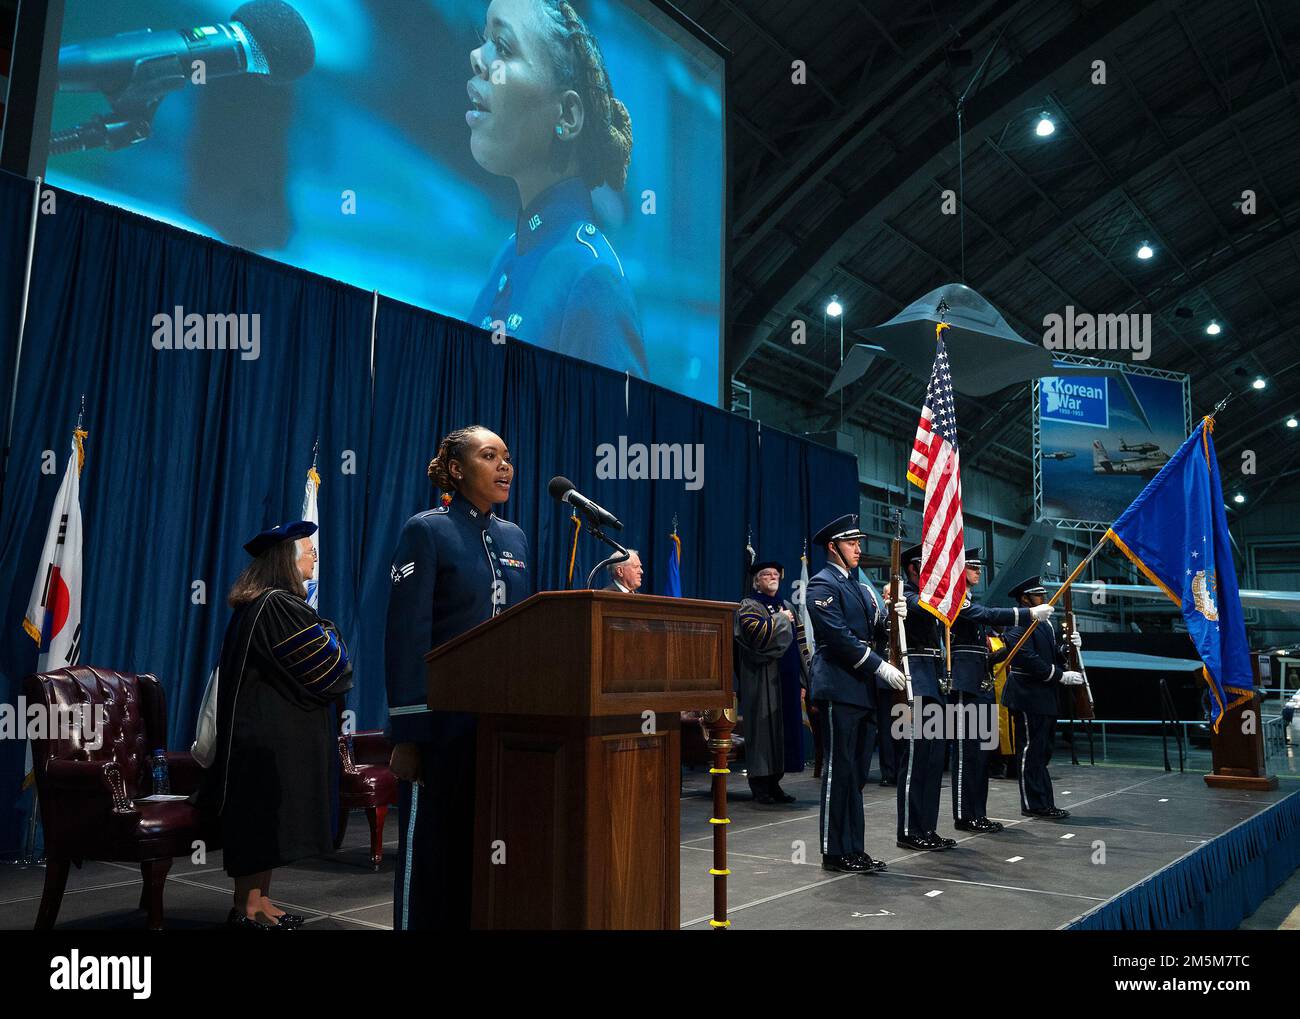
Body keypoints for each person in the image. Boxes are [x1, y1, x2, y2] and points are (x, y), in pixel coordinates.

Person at [384, 426, 532, 929]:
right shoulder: (426, 530)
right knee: (433, 856)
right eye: (490, 456)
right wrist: (409, 734)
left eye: (507, 457)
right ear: (456, 469)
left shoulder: (515, 538)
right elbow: (407, 636)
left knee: (487, 853)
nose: (504, 466)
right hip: (440, 727)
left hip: (500, 728)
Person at [466, 0, 647, 377]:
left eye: (502, 46)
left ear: (566, 115)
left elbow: (618, 436)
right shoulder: (508, 253)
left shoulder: (592, 279)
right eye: (483, 39)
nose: (476, 58)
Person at [195, 520, 353, 930]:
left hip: (262, 736)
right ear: (286, 558)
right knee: (260, 824)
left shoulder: (262, 603)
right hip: (263, 740)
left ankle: (260, 901)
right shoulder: (276, 605)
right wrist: (331, 631)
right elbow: (330, 666)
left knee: (266, 824)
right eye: (308, 549)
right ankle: (248, 910)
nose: (315, 555)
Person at [806, 514, 907, 874]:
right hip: (839, 684)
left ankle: (854, 847)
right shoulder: (822, 584)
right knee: (839, 769)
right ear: (833, 547)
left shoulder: (857, 587)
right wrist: (878, 665)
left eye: (859, 543)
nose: (858, 549)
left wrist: (894, 616)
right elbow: (837, 637)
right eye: (851, 543)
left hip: (862, 688)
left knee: (858, 772)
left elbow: (872, 630)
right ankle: (835, 851)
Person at [947, 549, 1053, 833]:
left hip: (979, 682)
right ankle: (964, 814)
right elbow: (987, 614)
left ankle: (976, 813)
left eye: (979, 566)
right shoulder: (956, 601)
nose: (978, 571)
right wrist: (1027, 613)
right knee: (966, 755)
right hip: (964, 683)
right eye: (972, 566)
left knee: (980, 755)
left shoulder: (972, 601)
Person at [1000, 576, 1084, 820]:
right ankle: (1033, 803)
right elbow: (1026, 657)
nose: (1044, 598)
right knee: (1030, 751)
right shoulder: (1019, 624)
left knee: (1043, 751)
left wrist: (1067, 648)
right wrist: (1059, 676)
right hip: (1027, 694)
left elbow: (1048, 653)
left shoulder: (1044, 624)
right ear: (1025, 599)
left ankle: (1044, 800)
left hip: (1044, 694)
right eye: (1038, 595)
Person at [895, 543, 956, 852]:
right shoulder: (903, 592)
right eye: (926, 566)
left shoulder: (931, 595)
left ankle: (927, 827)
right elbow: (919, 606)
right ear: (912, 568)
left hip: (934, 677)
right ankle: (908, 830)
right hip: (917, 678)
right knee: (916, 758)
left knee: (933, 761)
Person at [735, 561, 807, 804]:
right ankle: (759, 786)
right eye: (766, 574)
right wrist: (780, 619)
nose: (772, 577)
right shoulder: (748, 605)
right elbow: (756, 637)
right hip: (761, 677)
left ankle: (775, 783)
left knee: (782, 733)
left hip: (785, 679)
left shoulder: (787, 606)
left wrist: (805, 680)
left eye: (776, 574)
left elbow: (801, 645)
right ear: (757, 580)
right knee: (763, 731)